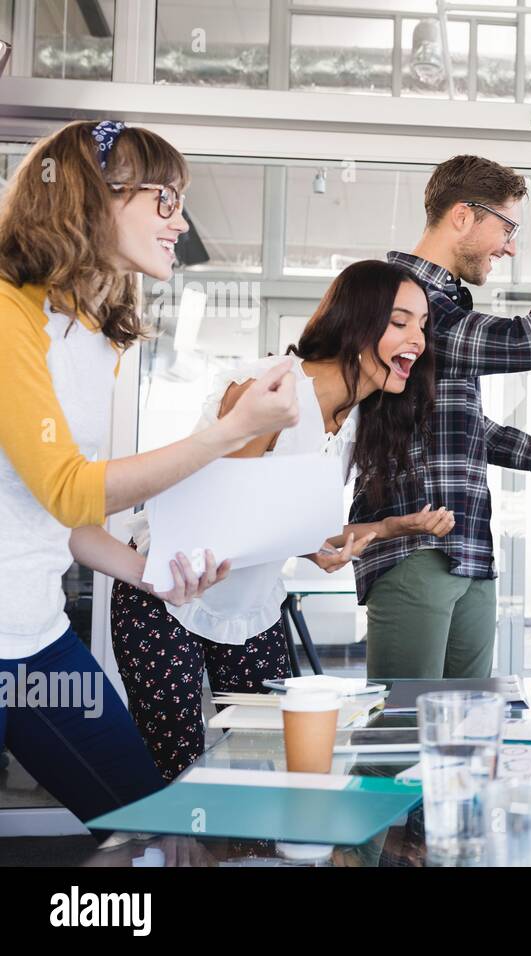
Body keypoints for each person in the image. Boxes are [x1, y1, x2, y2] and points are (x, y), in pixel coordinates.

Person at [0, 120, 297, 824]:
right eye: (166, 199)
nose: (181, 221)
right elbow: (69, 483)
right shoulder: (9, 314)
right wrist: (230, 432)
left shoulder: (94, 335)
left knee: (149, 824)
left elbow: (66, 517)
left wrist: (148, 573)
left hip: (33, 642)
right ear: (94, 197)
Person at [111, 259, 454, 779]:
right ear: (356, 323)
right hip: (163, 595)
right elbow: (214, 516)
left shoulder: (356, 421)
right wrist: (301, 540)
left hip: (249, 608)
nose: (418, 340)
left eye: (423, 326)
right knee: (176, 773)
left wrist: (389, 529)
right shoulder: (270, 391)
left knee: (263, 767)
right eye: (401, 322)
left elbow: (281, 524)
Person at [351, 156, 531, 680]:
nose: (510, 245)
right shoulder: (398, 299)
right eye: (507, 227)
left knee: (468, 734)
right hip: (415, 548)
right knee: (404, 729)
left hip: (470, 550)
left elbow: (460, 427)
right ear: (463, 216)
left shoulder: (446, 306)